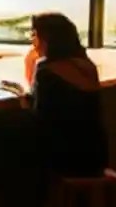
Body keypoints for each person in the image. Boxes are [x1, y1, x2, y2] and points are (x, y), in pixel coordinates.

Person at [29, 12, 108, 179]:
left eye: (35, 35)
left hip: (64, 160)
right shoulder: (87, 66)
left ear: (47, 39)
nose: (32, 41)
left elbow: (40, 117)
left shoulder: (46, 71)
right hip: (96, 157)